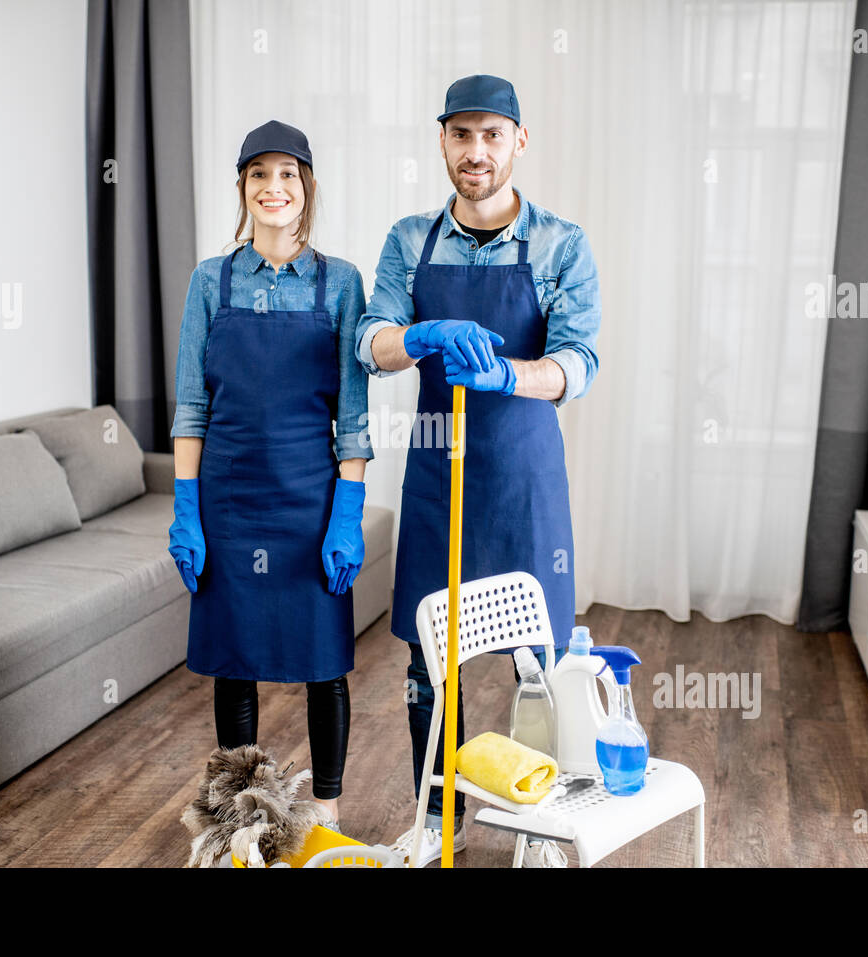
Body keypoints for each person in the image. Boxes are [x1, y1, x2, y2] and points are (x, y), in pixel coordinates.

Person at [356, 76, 601, 867]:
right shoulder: (408, 240)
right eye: (461, 134)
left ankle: (538, 822)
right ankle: (439, 817)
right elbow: (372, 342)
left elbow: (579, 363)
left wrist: (507, 376)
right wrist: (422, 333)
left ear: (519, 142)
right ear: (442, 142)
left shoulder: (562, 243)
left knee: (539, 659)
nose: (476, 152)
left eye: (493, 134)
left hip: (523, 474)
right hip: (436, 471)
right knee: (432, 661)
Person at [168, 121, 371, 829]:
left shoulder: (339, 283)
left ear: (306, 187)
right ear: (243, 189)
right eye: (260, 175)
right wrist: (185, 508)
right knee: (236, 659)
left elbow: (352, 415)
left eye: (288, 174)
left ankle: (326, 809)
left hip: (308, 500)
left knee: (325, 663)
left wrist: (348, 510)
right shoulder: (211, 281)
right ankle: (241, 809)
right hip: (227, 499)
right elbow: (192, 405)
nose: (274, 188)